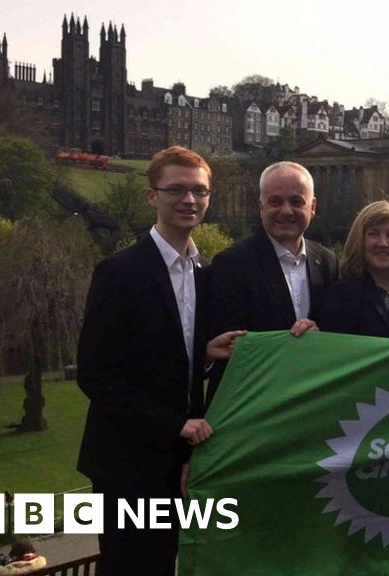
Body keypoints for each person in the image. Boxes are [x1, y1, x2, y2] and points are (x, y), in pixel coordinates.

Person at [76, 146, 245, 575]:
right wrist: (174, 425)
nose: (189, 200)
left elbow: (168, 357)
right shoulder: (118, 272)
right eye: (177, 190)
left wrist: (203, 357)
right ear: (153, 195)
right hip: (126, 464)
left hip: (181, 462)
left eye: (199, 191)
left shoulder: (203, 273)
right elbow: (96, 376)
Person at [207, 161, 338, 399]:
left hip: (312, 399)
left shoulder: (327, 261)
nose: (286, 211)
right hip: (252, 402)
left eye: (296, 201)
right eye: (275, 201)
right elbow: (233, 345)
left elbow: (337, 332)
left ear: (313, 207)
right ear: (261, 207)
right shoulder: (231, 264)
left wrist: (321, 334)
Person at [320, 200, 389, 339]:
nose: (383, 243)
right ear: (359, 240)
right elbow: (337, 353)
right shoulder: (342, 294)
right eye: (373, 234)